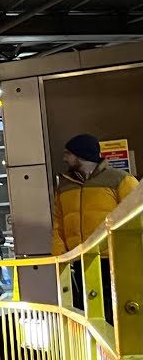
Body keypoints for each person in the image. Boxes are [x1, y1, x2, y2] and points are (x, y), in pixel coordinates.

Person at [53, 133, 138, 313]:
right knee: (85, 314)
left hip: (114, 261)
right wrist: (59, 255)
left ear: (80, 155)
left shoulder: (120, 180)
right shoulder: (65, 185)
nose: (65, 158)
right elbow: (58, 223)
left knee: (114, 314)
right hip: (78, 262)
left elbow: (137, 218)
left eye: (68, 153)